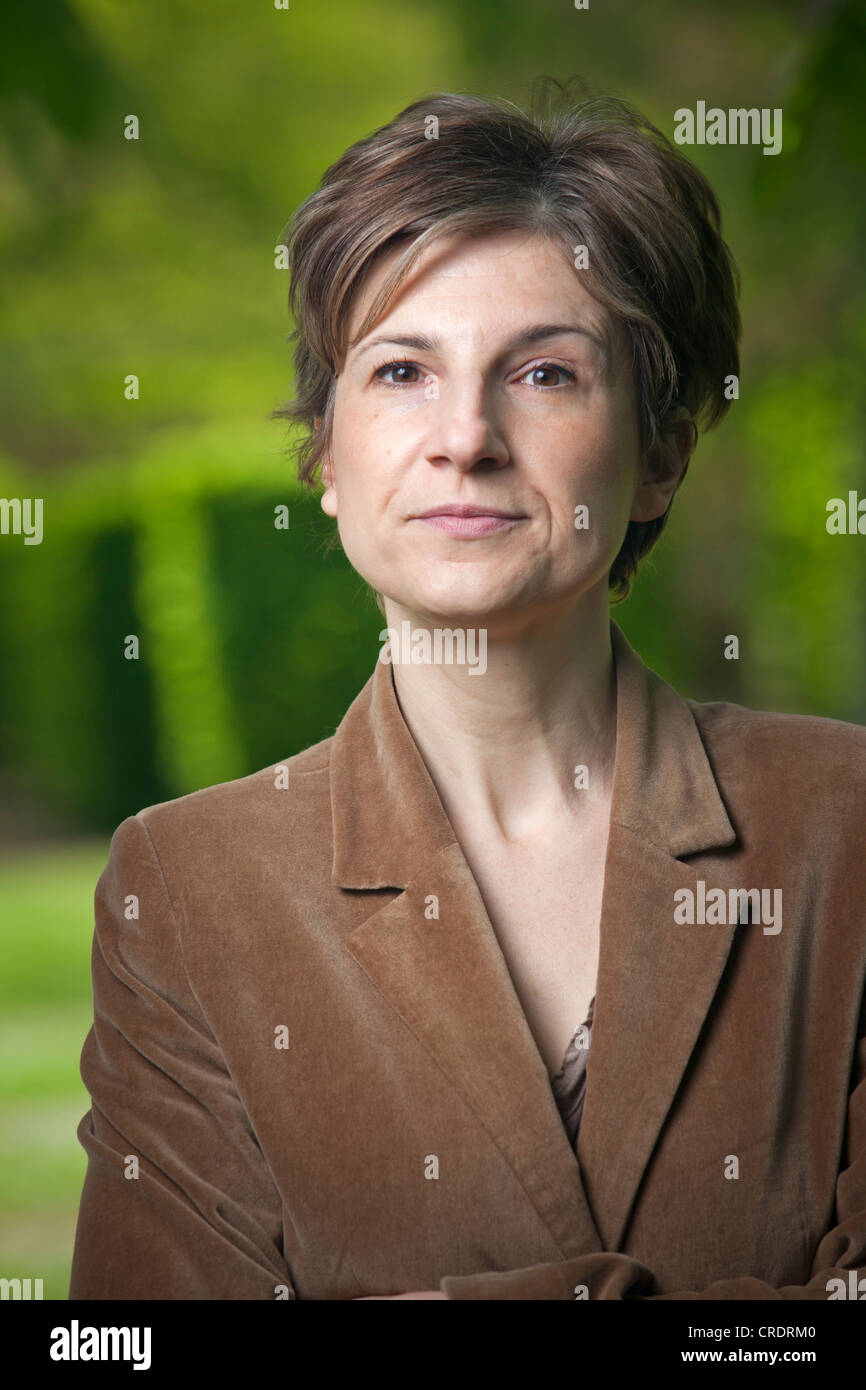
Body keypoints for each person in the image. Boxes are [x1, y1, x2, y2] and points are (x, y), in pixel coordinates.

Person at [69, 81, 866, 1300]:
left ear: (658, 452)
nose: (463, 437)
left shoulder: (843, 824)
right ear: (325, 457)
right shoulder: (185, 890)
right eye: (399, 372)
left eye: (543, 374)